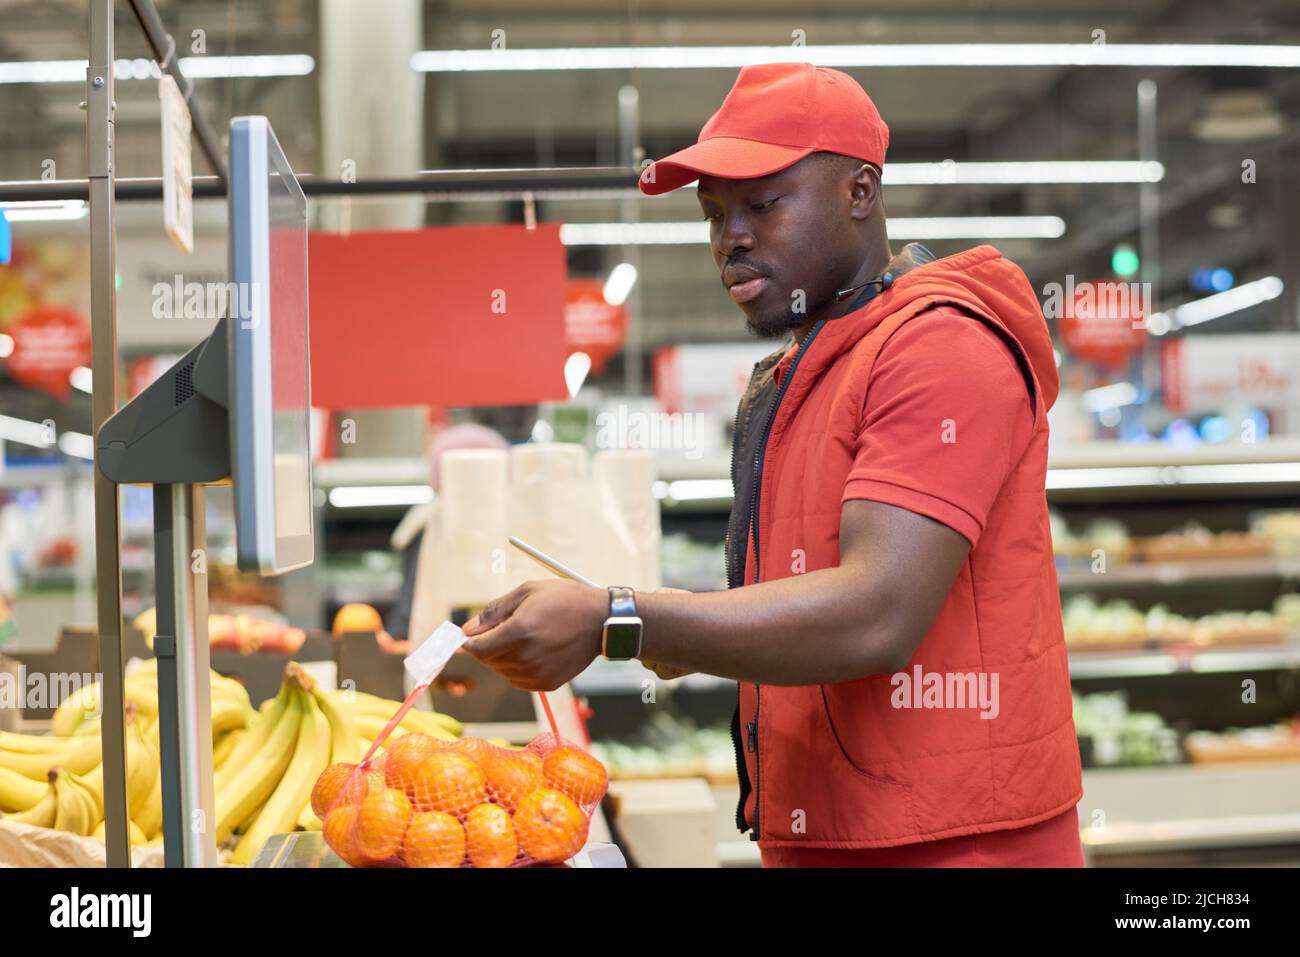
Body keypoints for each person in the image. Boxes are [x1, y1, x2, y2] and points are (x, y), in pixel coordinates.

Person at [463, 63, 1083, 867]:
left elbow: (876, 612)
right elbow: (810, 594)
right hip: (836, 832)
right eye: (715, 214)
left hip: (953, 846)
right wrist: (685, 634)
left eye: (764, 203)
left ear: (860, 191)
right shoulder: (804, 374)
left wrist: (619, 617)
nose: (732, 237)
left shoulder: (939, 346)